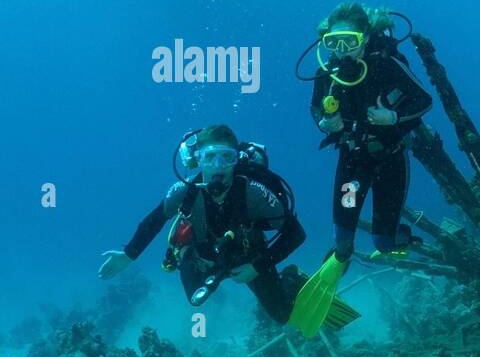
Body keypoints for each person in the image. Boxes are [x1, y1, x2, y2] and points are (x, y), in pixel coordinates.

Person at [291, 2, 432, 336]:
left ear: (366, 37)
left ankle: (409, 240)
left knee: (384, 243)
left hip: (390, 160)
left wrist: (393, 117)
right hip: (352, 163)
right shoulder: (329, 72)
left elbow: (424, 100)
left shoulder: (387, 64)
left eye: (349, 40)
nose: (342, 50)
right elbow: (315, 108)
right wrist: (326, 123)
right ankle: (333, 283)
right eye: (334, 42)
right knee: (343, 242)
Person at [98, 125, 321, 326]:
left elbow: (295, 233)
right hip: (203, 256)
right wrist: (128, 255)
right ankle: (187, 254)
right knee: (195, 299)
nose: (218, 166)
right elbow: (155, 219)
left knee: (282, 315)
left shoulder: (252, 191)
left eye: (227, 157)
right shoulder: (184, 191)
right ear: (198, 160)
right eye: (210, 157)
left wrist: (257, 266)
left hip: (248, 256)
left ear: (237, 160)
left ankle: (291, 277)